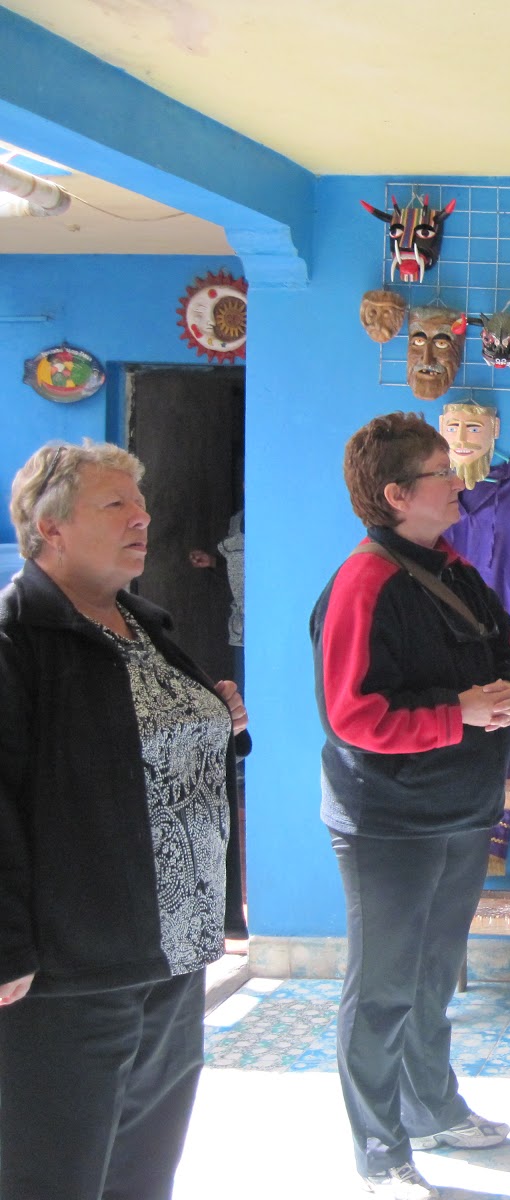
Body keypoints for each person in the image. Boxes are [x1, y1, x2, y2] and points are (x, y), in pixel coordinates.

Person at [0, 440, 249, 1200]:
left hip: (172, 949)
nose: (142, 519)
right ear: (51, 529)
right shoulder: (16, 642)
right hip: (74, 970)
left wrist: (223, 724)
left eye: (141, 505)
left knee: (143, 1175)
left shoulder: (143, 624)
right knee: (55, 1176)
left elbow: (141, 749)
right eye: (116, 505)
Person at [311, 413, 510, 1200]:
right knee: (381, 989)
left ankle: (433, 1108)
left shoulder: (450, 565)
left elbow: (506, 647)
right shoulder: (363, 581)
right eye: (444, 471)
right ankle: (379, 1148)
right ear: (398, 494)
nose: (460, 483)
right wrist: (461, 714)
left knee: (434, 976)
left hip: (462, 808)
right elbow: (352, 715)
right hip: (388, 821)